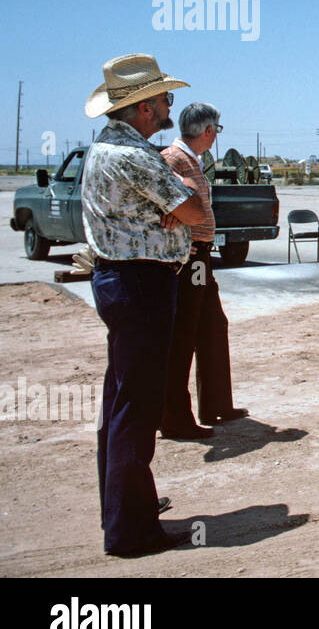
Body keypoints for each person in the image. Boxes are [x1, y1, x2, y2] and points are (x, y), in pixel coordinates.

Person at [82, 53, 208, 557]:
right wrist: (177, 205)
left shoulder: (110, 148)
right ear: (141, 108)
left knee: (121, 400)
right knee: (138, 405)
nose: (167, 109)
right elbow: (195, 209)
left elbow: (183, 209)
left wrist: (175, 206)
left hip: (122, 281)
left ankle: (120, 507)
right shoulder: (133, 157)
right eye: (162, 101)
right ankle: (131, 531)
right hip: (142, 285)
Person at [159, 102, 249, 439]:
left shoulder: (189, 160)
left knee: (211, 326)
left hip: (200, 258)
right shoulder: (173, 159)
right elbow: (165, 208)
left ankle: (216, 404)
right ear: (209, 131)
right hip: (189, 260)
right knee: (184, 332)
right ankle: (174, 417)